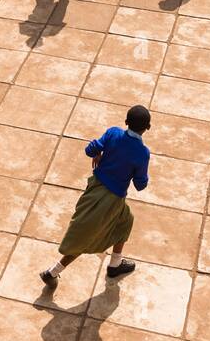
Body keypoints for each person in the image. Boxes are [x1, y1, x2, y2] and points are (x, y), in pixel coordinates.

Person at [40, 105, 152, 288]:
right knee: (86, 238)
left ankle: (115, 264)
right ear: (148, 128)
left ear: (126, 123)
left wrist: (99, 154)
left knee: (126, 220)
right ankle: (53, 272)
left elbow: (90, 149)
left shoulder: (113, 133)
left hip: (95, 188)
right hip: (112, 200)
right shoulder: (142, 153)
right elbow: (140, 185)